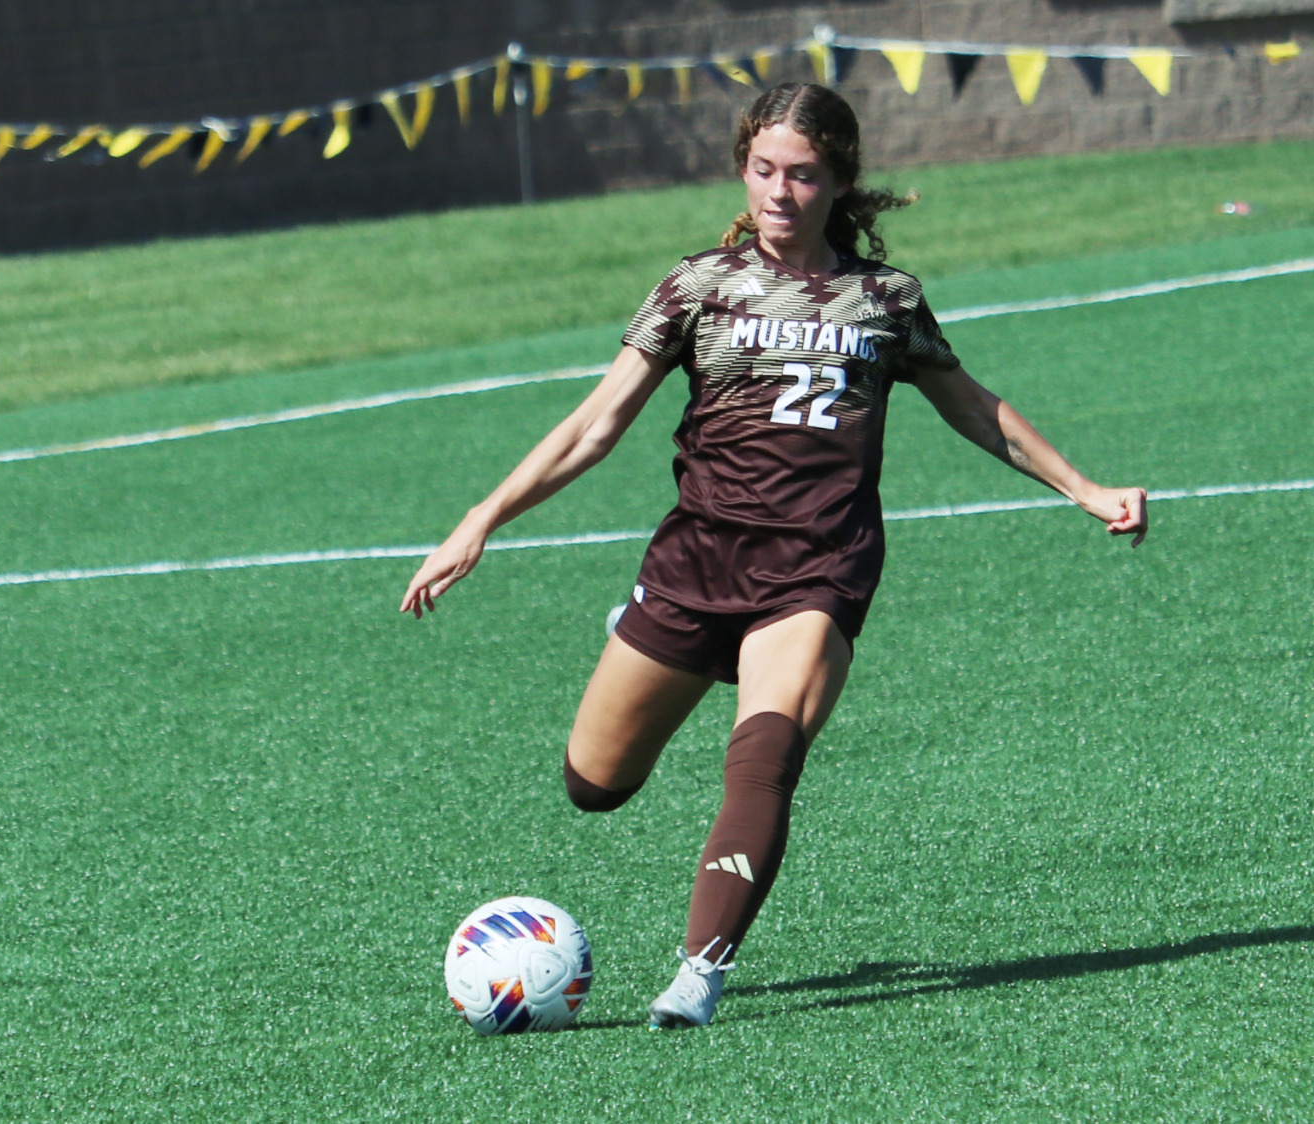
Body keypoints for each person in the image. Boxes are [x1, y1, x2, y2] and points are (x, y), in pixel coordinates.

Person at [400, 82, 1148, 1029]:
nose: (779, 192)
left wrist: (1086, 488)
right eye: (763, 170)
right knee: (594, 786)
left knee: (763, 757)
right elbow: (594, 426)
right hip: (698, 561)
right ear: (742, 170)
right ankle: (659, 641)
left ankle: (699, 971)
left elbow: (973, 406)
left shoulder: (884, 299)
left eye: (801, 175)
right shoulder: (698, 286)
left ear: (839, 181)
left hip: (816, 569)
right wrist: (482, 518)